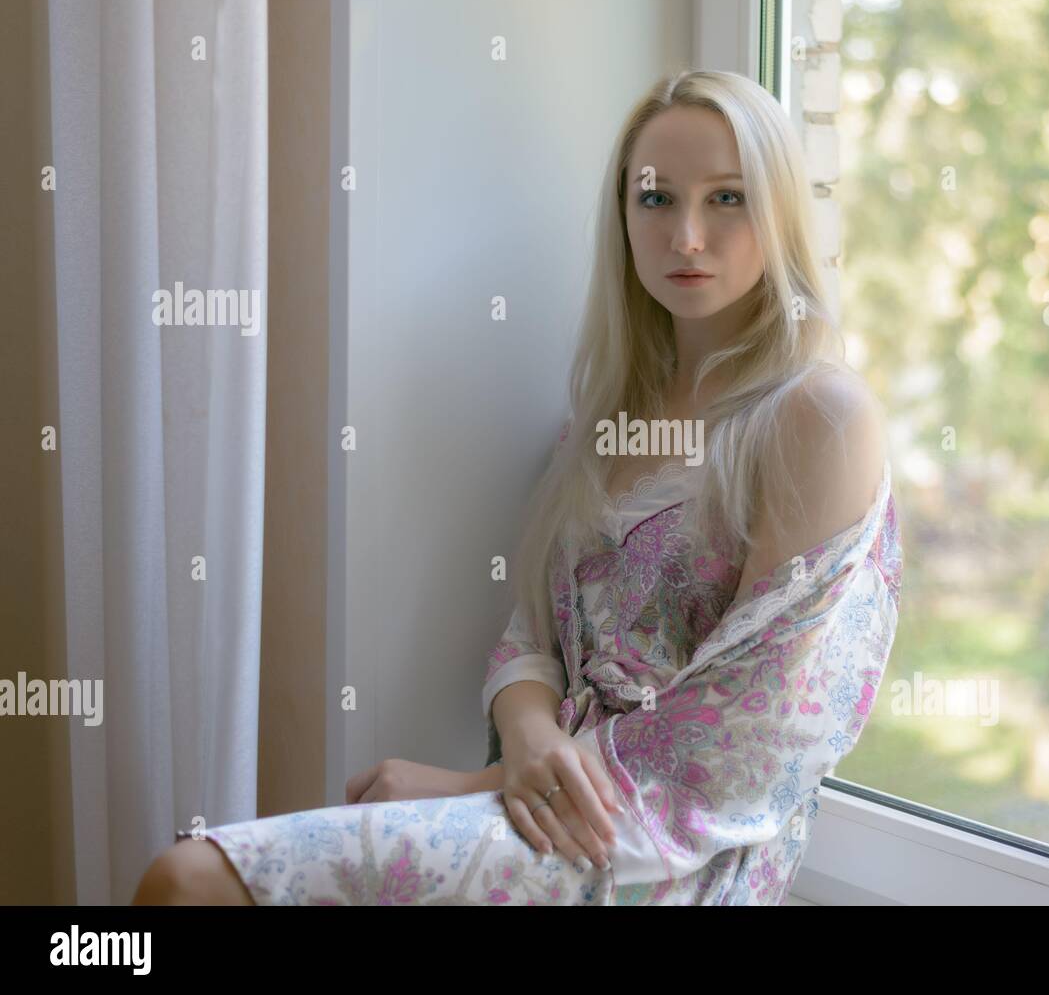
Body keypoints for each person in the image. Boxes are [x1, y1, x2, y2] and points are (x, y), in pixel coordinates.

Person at [131, 68, 903, 907]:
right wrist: (528, 737)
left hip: (657, 848)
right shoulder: (602, 425)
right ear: (622, 216)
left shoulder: (818, 418)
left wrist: (472, 787)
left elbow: (750, 739)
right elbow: (527, 633)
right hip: (542, 799)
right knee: (181, 876)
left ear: (781, 209)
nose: (686, 235)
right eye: (655, 198)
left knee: (188, 882)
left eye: (728, 198)